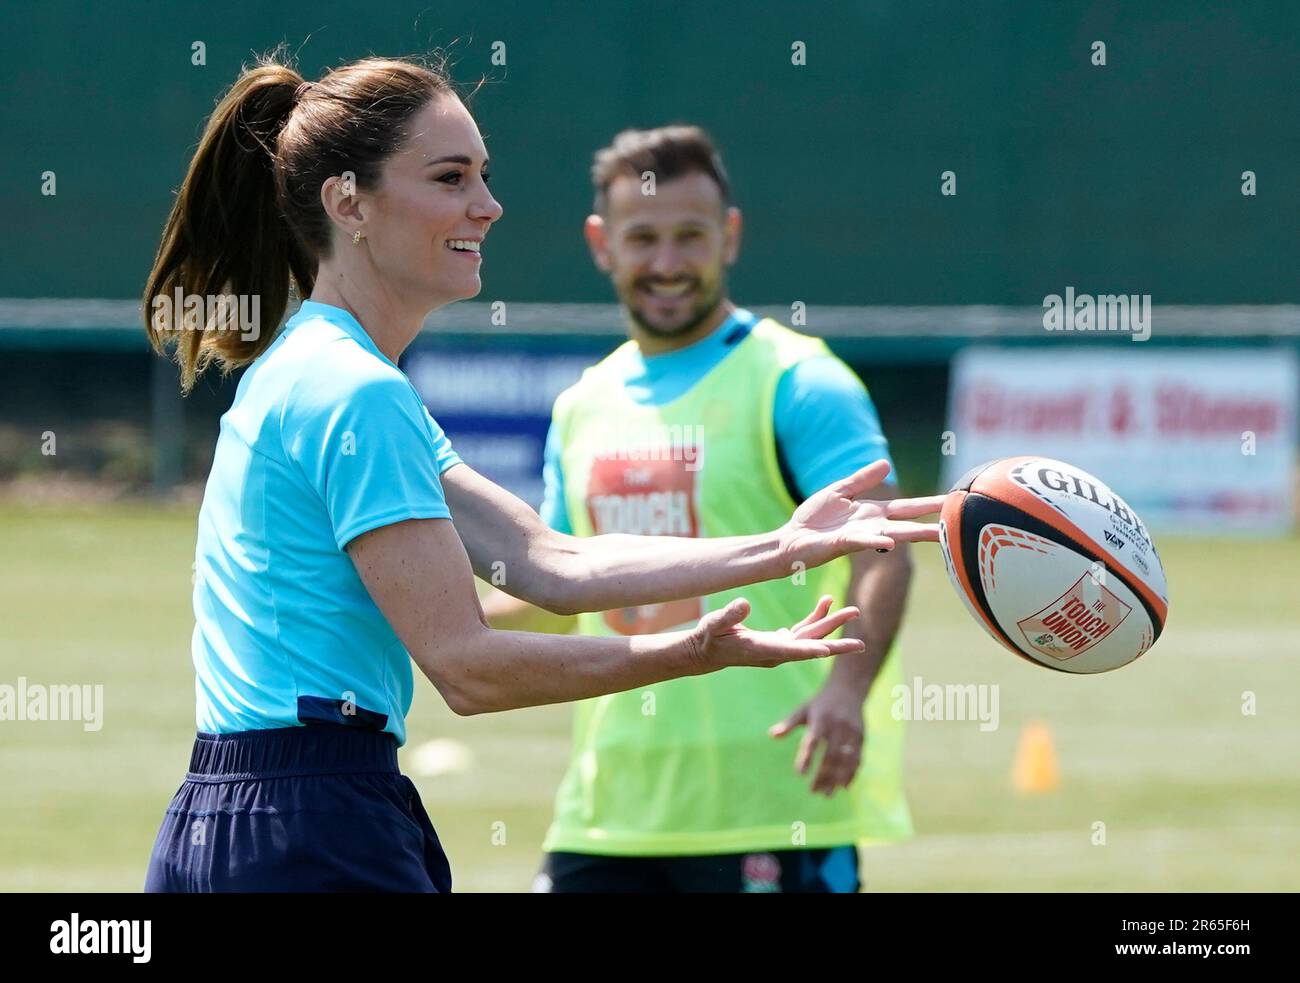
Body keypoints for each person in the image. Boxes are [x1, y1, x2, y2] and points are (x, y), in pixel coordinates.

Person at [140, 55, 943, 893]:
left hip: (251, 815)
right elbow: (467, 667)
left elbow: (551, 562)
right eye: (451, 178)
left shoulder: (319, 367)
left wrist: (781, 548)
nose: (488, 206)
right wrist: (686, 651)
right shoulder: (355, 390)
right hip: (313, 825)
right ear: (349, 202)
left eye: (484, 177)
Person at [483, 126, 917, 893]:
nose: (668, 263)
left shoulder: (799, 380)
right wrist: (414, 604)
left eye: (690, 236)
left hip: (775, 803)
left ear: (731, 235)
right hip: (606, 816)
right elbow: (554, 598)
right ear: (601, 243)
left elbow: (885, 547)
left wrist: (847, 690)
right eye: (643, 237)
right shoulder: (581, 405)